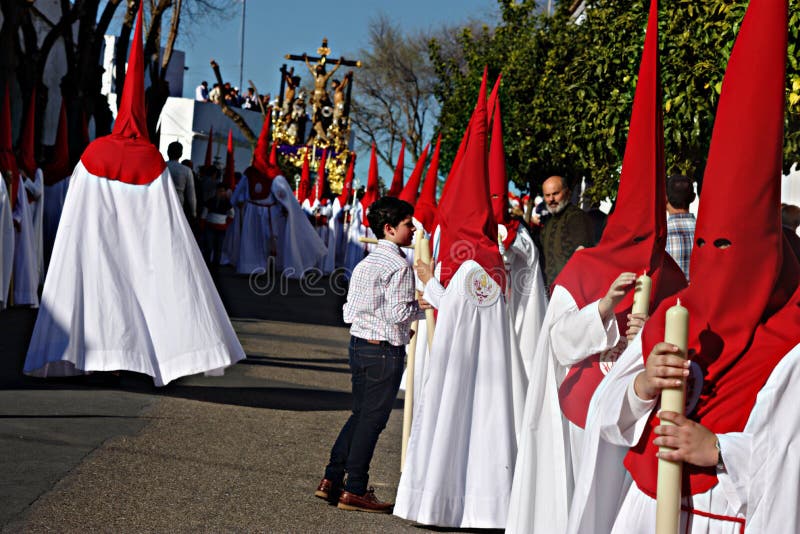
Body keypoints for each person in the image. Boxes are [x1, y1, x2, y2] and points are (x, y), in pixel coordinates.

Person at [568, 2, 800, 532]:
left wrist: (720, 448)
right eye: (709, 245)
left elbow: (792, 455)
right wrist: (644, 386)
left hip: (729, 516)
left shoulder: (792, 343)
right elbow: (606, 417)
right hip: (648, 513)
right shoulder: (675, 317)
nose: (721, 259)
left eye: (737, 247)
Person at [508, 5, 686, 532]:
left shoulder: (673, 276)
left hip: (636, 417)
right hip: (579, 413)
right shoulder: (587, 268)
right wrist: (605, 308)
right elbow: (557, 344)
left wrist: (646, 333)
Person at [23, 3, 244, 386]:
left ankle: (91, 355)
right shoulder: (152, 160)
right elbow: (168, 229)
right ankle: (135, 358)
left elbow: (74, 211)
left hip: (95, 243)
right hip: (140, 248)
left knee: (98, 293)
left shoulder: (92, 155)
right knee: (134, 296)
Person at [395, 73, 526, 529]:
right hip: (464, 356)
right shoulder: (490, 256)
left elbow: (456, 309)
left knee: (463, 427)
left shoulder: (476, 264)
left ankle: (456, 505)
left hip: (471, 364)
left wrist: (430, 282)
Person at [315, 196, 427, 513]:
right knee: (372, 421)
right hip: (383, 350)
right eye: (408, 224)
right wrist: (424, 305)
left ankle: (333, 478)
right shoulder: (399, 266)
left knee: (360, 414)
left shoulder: (367, 262)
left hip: (359, 343)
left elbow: (352, 309)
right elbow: (397, 313)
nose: (413, 229)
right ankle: (355, 487)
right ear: (390, 229)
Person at [539, 175, 594, 287]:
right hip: (551, 289)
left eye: (555, 194)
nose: (551, 199)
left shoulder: (577, 217)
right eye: (547, 195)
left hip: (571, 289)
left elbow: (583, 253)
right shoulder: (548, 223)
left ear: (567, 193)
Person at [665, 174, 697, 280]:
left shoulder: (660, 236)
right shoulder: (704, 232)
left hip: (672, 296)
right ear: (693, 198)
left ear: (665, 199)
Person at [200, 182, 234, 274]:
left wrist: (226, 224)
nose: (220, 193)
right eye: (219, 191)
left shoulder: (227, 203)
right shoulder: (210, 201)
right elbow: (204, 214)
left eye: (222, 191)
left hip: (221, 229)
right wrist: (203, 226)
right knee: (209, 247)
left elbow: (232, 214)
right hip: (210, 228)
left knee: (218, 249)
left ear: (224, 192)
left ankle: (216, 268)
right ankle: (206, 266)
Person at [166, 141, 196, 220]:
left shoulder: (160, 166)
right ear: (181, 154)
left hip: (161, 200)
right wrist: (194, 212)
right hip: (178, 203)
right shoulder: (186, 170)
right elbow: (191, 194)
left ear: (168, 152)